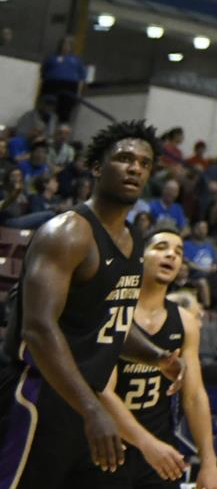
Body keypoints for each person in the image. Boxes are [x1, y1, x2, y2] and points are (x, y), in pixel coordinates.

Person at [0, 118, 174, 482]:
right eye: (124, 159)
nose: (135, 169)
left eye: (144, 164)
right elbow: (39, 329)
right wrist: (93, 408)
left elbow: (110, 322)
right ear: (97, 167)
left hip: (81, 401)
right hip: (35, 394)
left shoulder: (133, 239)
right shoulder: (68, 233)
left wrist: (157, 356)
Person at [98, 226, 217, 489]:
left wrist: (209, 462)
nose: (172, 255)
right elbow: (102, 391)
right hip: (108, 442)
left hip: (159, 450)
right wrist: (146, 443)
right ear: (140, 256)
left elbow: (195, 396)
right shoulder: (113, 309)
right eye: (161, 247)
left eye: (178, 252)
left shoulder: (186, 323)